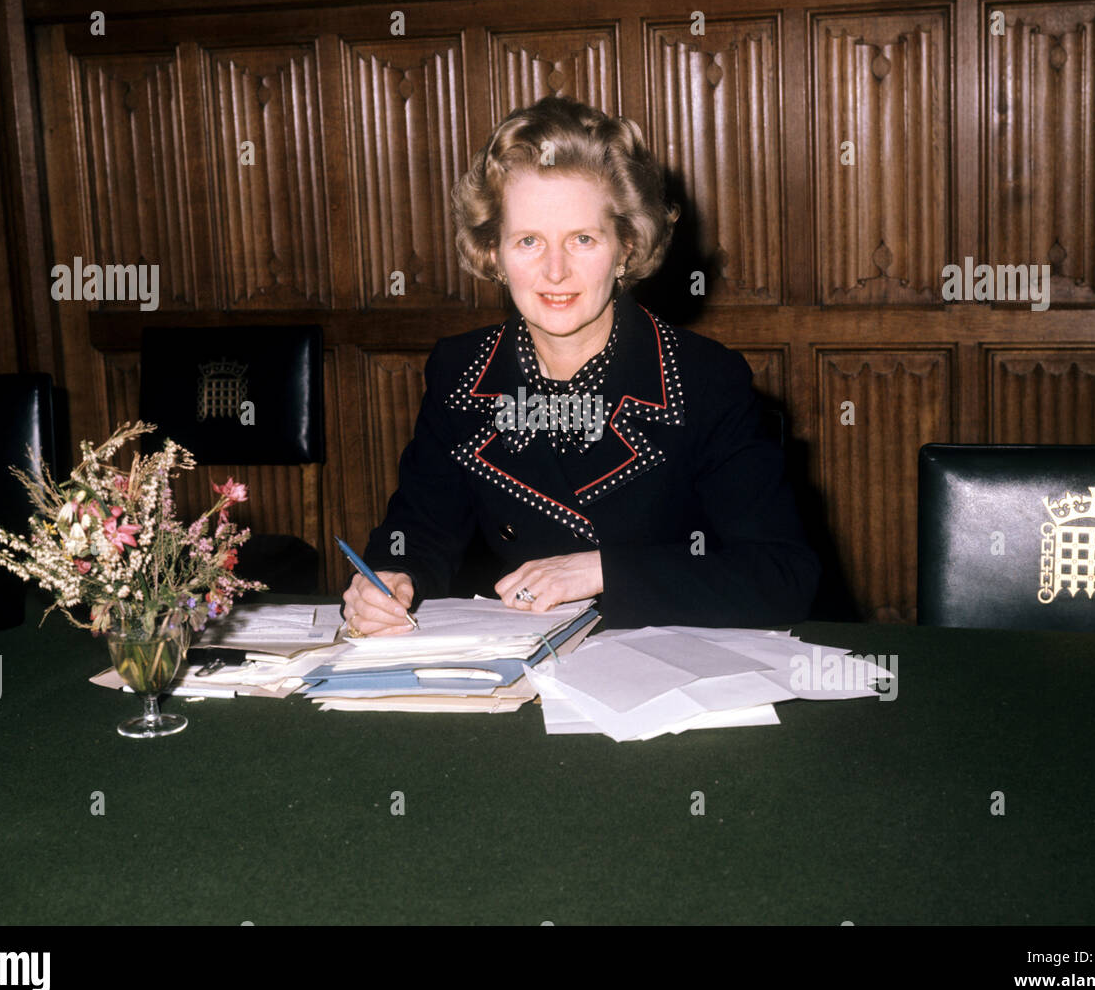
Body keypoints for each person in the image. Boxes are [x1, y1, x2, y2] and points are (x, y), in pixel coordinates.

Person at [340, 95, 819, 635]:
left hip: (662, 672)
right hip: (515, 669)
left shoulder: (704, 379)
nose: (555, 271)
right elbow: (420, 531)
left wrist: (604, 570)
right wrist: (391, 579)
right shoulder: (461, 370)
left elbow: (783, 577)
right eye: (528, 241)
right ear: (493, 255)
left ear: (626, 248)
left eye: (583, 239)